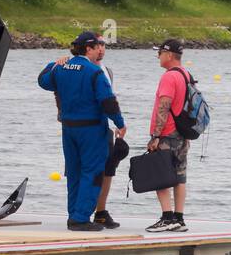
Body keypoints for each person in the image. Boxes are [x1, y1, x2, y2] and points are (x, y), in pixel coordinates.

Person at [38, 30, 127, 231]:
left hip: (69, 129)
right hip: (92, 130)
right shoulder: (94, 72)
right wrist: (120, 123)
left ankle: (73, 215)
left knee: (75, 172)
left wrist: (53, 64)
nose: (100, 50)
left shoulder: (61, 68)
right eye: (97, 47)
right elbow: (108, 101)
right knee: (93, 172)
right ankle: (81, 218)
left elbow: (43, 81)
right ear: (89, 48)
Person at [146, 37, 191, 232]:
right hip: (182, 134)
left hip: (167, 134)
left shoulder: (169, 77)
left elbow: (164, 106)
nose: (158, 56)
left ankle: (167, 217)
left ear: (169, 55)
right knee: (180, 176)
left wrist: (155, 135)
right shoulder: (186, 74)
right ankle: (179, 218)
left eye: (160, 53)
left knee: (160, 175)